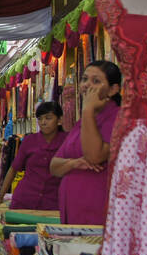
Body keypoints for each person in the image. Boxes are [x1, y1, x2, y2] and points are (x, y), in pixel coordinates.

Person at [50, 61, 121, 225]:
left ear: (113, 89)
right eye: (85, 79)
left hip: (98, 208)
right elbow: (54, 166)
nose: (87, 85)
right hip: (72, 209)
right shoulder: (81, 123)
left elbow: (95, 156)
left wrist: (87, 109)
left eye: (96, 81)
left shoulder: (118, 117)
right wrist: (75, 163)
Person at [0, 101, 65, 210]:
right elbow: (13, 169)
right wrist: (1, 196)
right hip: (25, 200)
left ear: (59, 120)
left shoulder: (67, 141)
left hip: (54, 203)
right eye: (40, 118)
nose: (43, 122)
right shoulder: (30, 141)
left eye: (48, 118)